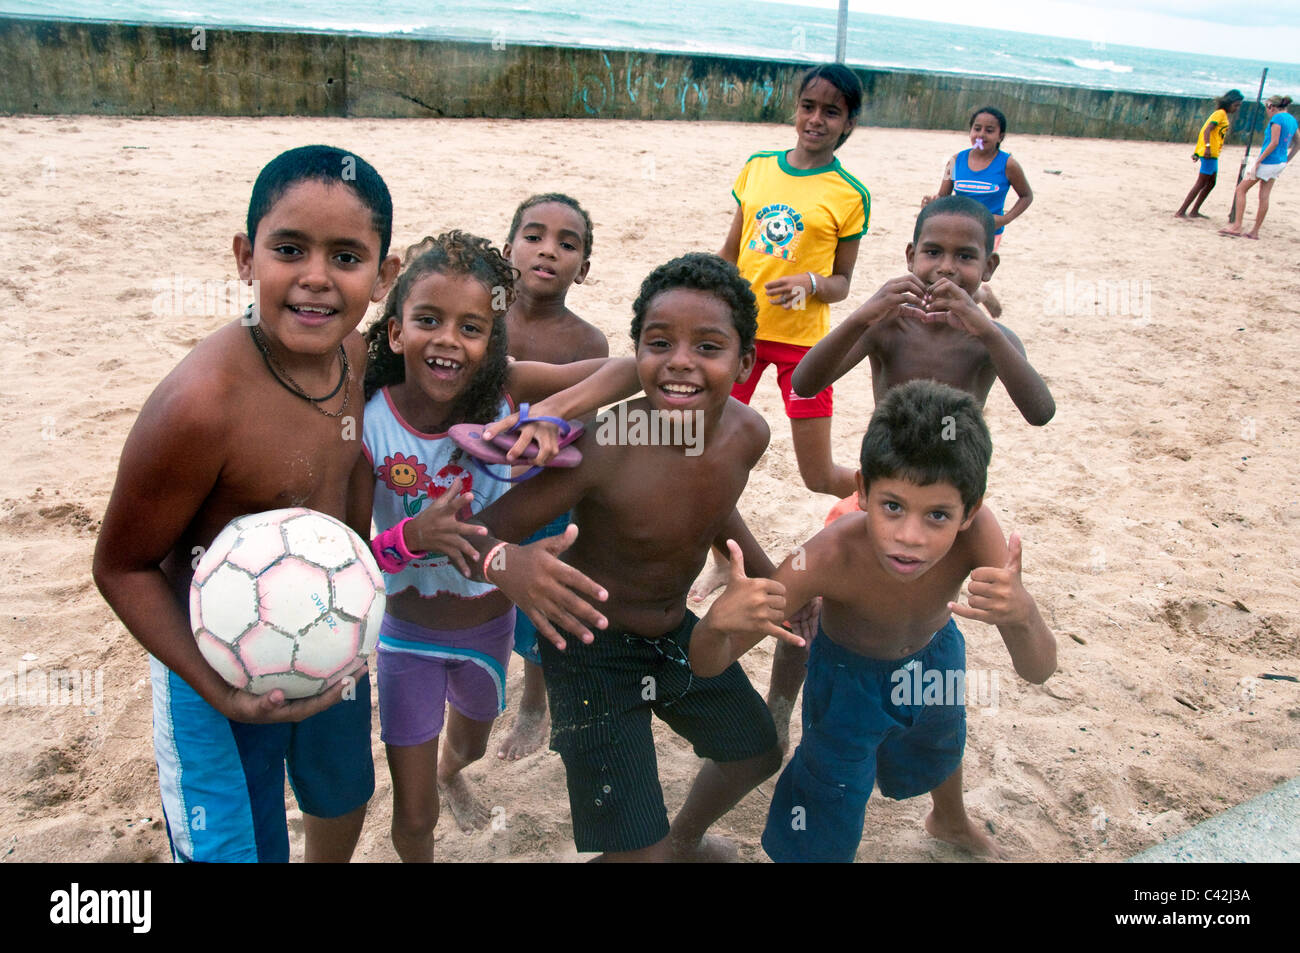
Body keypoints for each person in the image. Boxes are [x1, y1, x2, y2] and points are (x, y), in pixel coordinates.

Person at [92, 145, 402, 862]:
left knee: (342, 792)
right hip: (209, 669)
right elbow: (121, 566)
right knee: (238, 846)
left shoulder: (356, 357)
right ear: (244, 256)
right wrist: (219, 692)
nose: (316, 278)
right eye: (289, 249)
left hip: (333, 628)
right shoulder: (201, 406)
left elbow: (369, 448)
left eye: (347, 257)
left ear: (384, 276)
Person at [461, 253, 797, 862]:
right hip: (589, 646)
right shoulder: (606, 447)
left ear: (745, 361)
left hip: (674, 633)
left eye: (709, 346)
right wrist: (510, 566)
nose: (681, 362)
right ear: (636, 351)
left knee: (756, 752)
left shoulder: (748, 434)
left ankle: (684, 839)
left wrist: (770, 577)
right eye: (659, 342)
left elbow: (713, 507)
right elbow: (477, 533)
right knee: (634, 852)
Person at [690, 380, 1058, 862]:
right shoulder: (826, 557)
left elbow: (1038, 670)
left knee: (939, 743)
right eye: (893, 506)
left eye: (938, 516)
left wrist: (1024, 612)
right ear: (862, 491)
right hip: (846, 683)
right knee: (830, 792)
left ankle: (948, 817)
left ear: (970, 510)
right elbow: (707, 665)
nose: (910, 537)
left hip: (935, 658)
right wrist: (717, 625)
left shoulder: (981, 539)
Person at [356, 230, 635, 861]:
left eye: (472, 327)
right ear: (396, 332)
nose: (449, 339)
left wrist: (553, 409)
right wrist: (407, 537)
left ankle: (452, 770)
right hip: (406, 635)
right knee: (415, 810)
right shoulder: (368, 416)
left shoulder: (509, 390)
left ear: (493, 338)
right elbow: (345, 562)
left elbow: (629, 368)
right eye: (428, 320)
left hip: (489, 630)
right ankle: (430, 797)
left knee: (472, 747)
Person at [692, 63, 869, 617]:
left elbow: (842, 285)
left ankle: (897, 497)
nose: (815, 119)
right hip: (739, 339)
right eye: (808, 106)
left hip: (804, 350)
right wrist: (702, 306)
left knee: (818, 475)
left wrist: (813, 284)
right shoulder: (758, 169)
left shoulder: (849, 194)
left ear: (848, 123)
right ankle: (727, 555)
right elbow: (730, 250)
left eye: (831, 112)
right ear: (796, 108)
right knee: (703, 453)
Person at [496, 193, 609, 762]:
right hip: (476, 482)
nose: (548, 250)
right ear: (508, 247)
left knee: (542, 602)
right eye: (534, 236)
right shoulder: (482, 318)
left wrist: (541, 442)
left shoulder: (586, 343)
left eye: (568, 244)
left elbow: (580, 433)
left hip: (543, 492)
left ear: (582, 268)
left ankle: (533, 704)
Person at [922, 106, 1032, 318]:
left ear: (1001, 136)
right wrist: (930, 203)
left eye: (989, 130)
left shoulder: (1008, 164)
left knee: (968, 281)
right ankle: (980, 296)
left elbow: (1026, 196)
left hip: (987, 232)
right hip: (953, 232)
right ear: (970, 132)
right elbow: (943, 197)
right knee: (951, 278)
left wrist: (1006, 218)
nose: (981, 135)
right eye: (977, 128)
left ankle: (978, 296)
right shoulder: (954, 161)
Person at [1220, 95, 1299, 240]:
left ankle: (1237, 226)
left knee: (1241, 189)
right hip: (1279, 162)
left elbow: (1274, 142)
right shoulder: (1292, 120)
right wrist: (1287, 159)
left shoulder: (1277, 119)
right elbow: (1297, 142)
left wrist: (1257, 163)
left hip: (1267, 161)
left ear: (1271, 107)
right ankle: (1255, 231)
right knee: (1264, 196)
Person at [1176, 89, 1244, 219]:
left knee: (1211, 182)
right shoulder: (1220, 114)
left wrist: (1198, 151)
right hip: (1210, 154)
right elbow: (1206, 130)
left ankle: (1194, 210)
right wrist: (1205, 148)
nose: (1237, 109)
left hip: (1213, 154)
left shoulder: (1222, 114)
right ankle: (1181, 211)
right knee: (1201, 183)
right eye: (1236, 105)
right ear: (1229, 103)